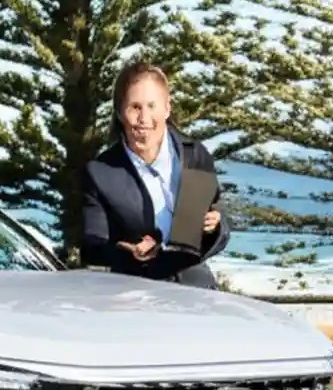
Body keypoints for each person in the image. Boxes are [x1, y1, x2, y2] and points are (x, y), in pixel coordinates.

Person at [79, 61, 231, 288]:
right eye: (135, 107)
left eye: (152, 106)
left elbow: (220, 223)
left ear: (167, 108)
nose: (144, 118)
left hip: (198, 294)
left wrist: (215, 226)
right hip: (136, 297)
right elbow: (92, 247)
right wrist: (128, 254)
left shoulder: (195, 156)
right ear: (120, 112)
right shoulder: (100, 173)